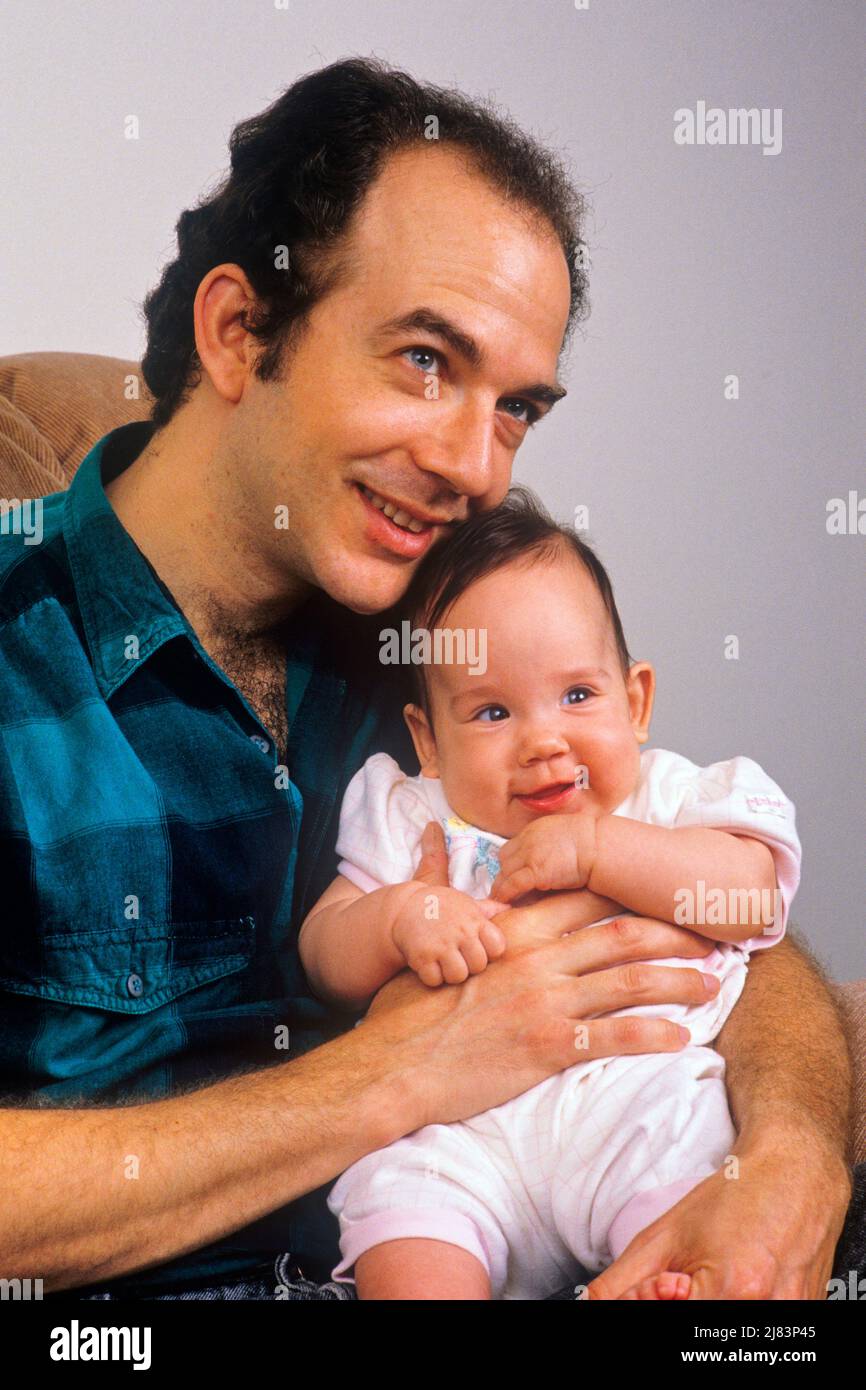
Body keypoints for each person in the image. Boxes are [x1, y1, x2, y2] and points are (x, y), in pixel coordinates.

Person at [0, 57, 855, 1301]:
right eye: (422, 362)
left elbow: (715, 915)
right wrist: (389, 1078)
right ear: (241, 332)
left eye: (516, 409)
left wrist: (792, 1156)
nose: (473, 466)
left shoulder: (452, 636)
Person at [300, 490, 801, 1300]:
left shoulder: (667, 799)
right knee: (398, 1209)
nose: (543, 741)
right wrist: (397, 919)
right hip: (455, 1137)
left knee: (697, 1179)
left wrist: (603, 851)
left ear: (635, 701)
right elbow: (324, 950)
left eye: (577, 696)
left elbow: (753, 897)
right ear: (428, 741)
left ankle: (660, 1279)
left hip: (634, 1103)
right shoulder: (413, 816)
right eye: (492, 711)